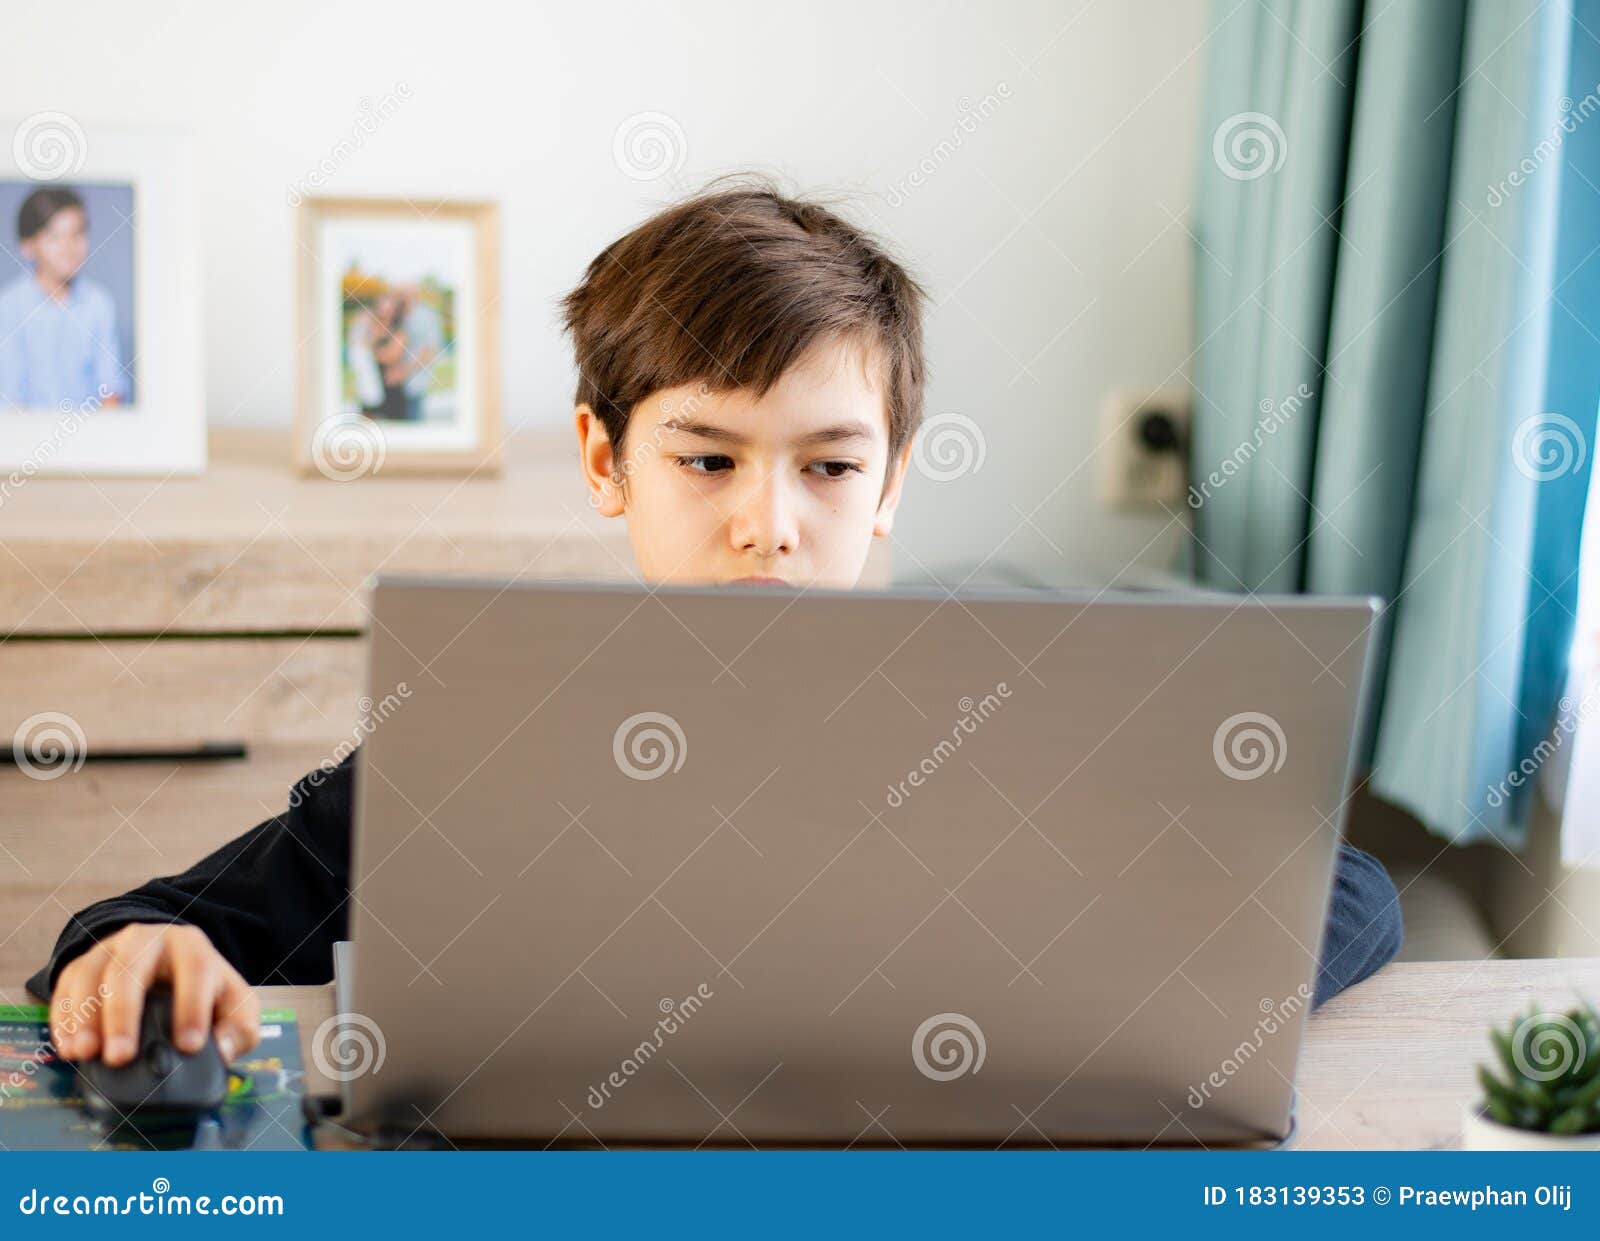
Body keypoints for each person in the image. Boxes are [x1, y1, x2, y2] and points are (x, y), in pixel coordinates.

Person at [32, 180, 1403, 1069]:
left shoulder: (1003, 729)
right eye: (705, 459)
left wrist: (1117, 978)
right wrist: (141, 954)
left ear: (892, 483)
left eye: (829, 464)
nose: (770, 521)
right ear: (603, 459)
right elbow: (132, 927)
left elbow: (1347, 888)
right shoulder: (482, 748)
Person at [0, 187, 129, 410]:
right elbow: (9, 398)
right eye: (54, 237)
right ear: (28, 246)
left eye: (77, 235)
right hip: (25, 437)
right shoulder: (9, 307)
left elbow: (110, 390)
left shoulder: (98, 303)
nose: (68, 248)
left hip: (92, 436)